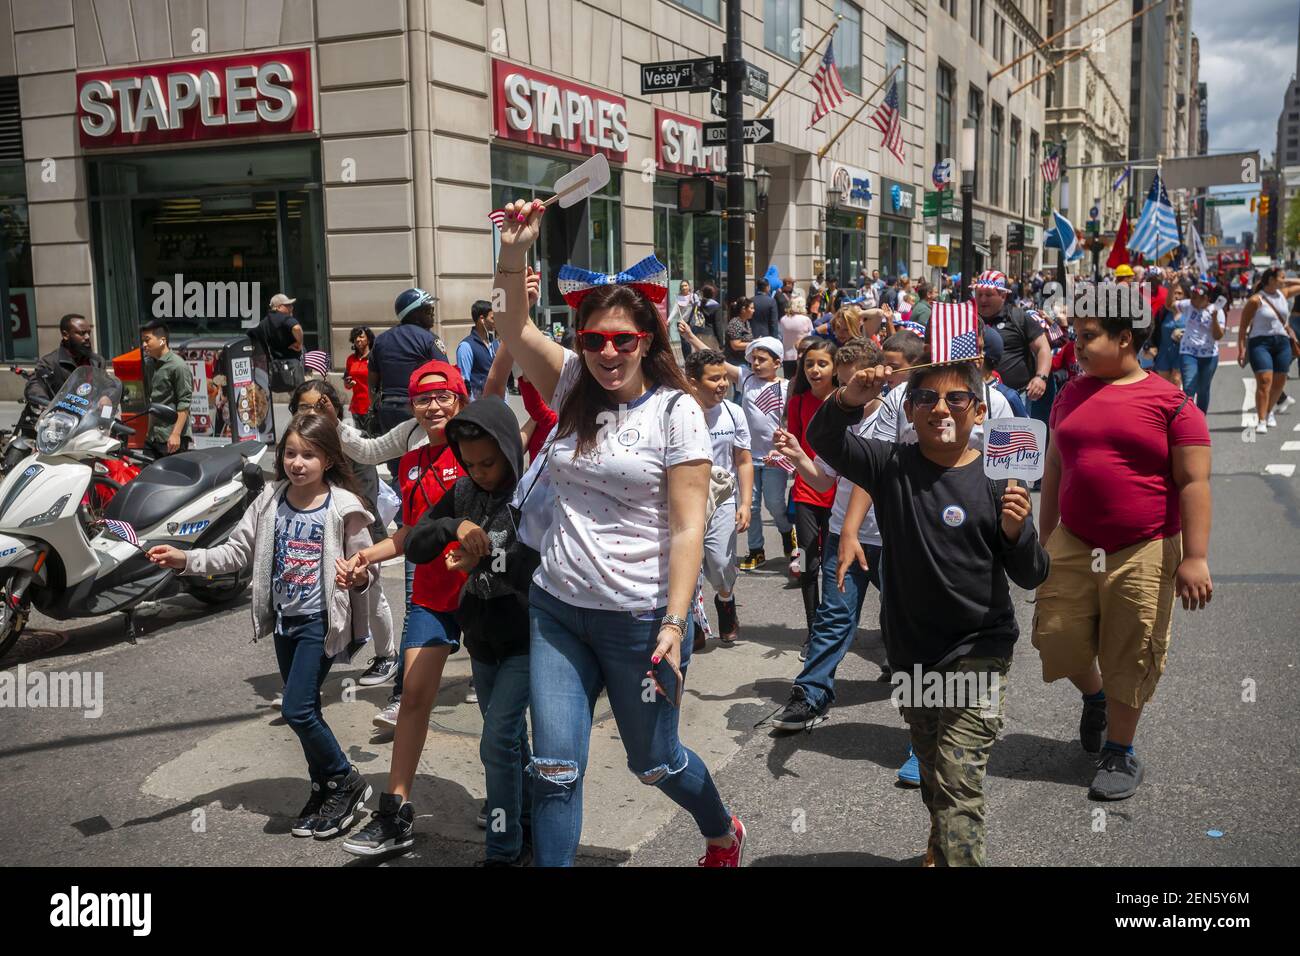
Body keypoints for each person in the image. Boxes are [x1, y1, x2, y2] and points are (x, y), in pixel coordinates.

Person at [491, 196, 745, 867]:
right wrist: (517, 249)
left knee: (655, 762)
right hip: (558, 612)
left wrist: (676, 619)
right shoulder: (572, 380)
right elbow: (513, 324)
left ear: (649, 343)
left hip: (640, 621)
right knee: (554, 770)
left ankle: (722, 831)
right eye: (594, 339)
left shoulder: (676, 414)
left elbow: (691, 528)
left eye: (623, 340)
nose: (607, 352)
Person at [808, 358, 1049, 866]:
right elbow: (826, 440)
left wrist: (1016, 531)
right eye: (926, 399)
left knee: (960, 783)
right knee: (935, 770)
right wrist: (848, 397)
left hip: (979, 651)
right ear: (909, 410)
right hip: (913, 653)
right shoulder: (890, 465)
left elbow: (1031, 573)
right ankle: (940, 846)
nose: (940, 408)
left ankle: (956, 854)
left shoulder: (996, 478)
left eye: (955, 398)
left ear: (978, 410)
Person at [148, 414, 379, 839]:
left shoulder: (344, 507)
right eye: (290, 453)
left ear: (328, 458)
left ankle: (345, 780)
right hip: (285, 623)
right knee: (305, 709)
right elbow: (235, 553)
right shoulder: (269, 501)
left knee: (297, 709)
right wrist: (185, 560)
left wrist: (358, 576)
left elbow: (366, 567)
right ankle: (324, 787)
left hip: (320, 623)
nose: (297, 462)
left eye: (308, 454)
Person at [1033, 309, 1213, 801]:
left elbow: (1195, 482)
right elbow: (1053, 465)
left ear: (1125, 339)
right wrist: (1045, 533)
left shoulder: (1173, 404)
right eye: (1076, 336)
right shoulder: (1070, 393)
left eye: (1088, 337)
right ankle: (1095, 697)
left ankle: (1119, 749)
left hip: (1145, 546)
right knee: (1056, 636)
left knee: (1130, 652)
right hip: (1073, 542)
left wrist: (1195, 557)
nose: (1078, 346)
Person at [337, 360, 470, 857]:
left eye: (442, 397)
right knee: (413, 697)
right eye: (422, 399)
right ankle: (395, 813)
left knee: (502, 713)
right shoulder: (411, 461)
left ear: (459, 398)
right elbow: (411, 532)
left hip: (485, 599)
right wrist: (366, 556)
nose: (433, 407)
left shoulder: (478, 445)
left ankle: (512, 802)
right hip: (433, 596)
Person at [403, 397, 539, 866]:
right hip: (481, 641)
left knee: (496, 741)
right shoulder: (462, 491)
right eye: (470, 462)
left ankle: (502, 852)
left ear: (508, 450)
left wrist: (486, 558)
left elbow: (535, 568)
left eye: (489, 461)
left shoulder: (530, 496)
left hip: (526, 637)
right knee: (510, 742)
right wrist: (452, 524)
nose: (480, 471)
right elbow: (417, 544)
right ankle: (529, 828)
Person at [767, 338, 884, 730]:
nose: (851, 395)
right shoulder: (839, 421)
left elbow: (872, 476)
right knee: (833, 616)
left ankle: (925, 707)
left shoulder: (898, 419)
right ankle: (810, 693)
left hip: (891, 541)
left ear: (878, 380)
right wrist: (797, 455)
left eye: (859, 386)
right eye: (844, 386)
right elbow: (820, 481)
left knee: (907, 622)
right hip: (841, 538)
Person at [288, 380, 398, 687]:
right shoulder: (295, 444)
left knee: (370, 597)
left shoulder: (352, 443)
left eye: (317, 406)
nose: (309, 413)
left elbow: (366, 496)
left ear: (334, 409)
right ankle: (303, 675)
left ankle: (387, 655)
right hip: (313, 537)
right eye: (303, 407)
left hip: (356, 533)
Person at [684, 348, 754, 644]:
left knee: (721, 562)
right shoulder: (679, 412)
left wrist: (747, 503)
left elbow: (743, 460)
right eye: (714, 379)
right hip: (686, 497)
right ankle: (694, 623)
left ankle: (725, 600)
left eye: (724, 377)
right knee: (690, 561)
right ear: (693, 382)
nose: (723, 384)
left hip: (722, 494)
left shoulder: (733, 412)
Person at [779, 338, 839, 654]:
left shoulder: (846, 400)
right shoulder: (798, 401)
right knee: (806, 562)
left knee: (832, 564)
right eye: (809, 363)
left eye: (822, 363)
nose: (814, 369)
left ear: (835, 368)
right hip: (805, 492)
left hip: (840, 495)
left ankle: (832, 626)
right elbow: (798, 448)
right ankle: (812, 628)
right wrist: (783, 447)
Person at [370, 287, 448, 485]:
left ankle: (400, 499)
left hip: (388, 409)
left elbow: (373, 380)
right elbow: (444, 375)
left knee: (396, 464)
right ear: (414, 313)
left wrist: (377, 407)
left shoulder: (381, 340)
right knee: (423, 463)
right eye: (428, 309)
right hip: (417, 410)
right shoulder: (429, 339)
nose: (432, 313)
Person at [1237, 267, 1300, 434]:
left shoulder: (1283, 294)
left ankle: (1269, 410)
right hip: (1260, 343)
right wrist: (1242, 349)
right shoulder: (1256, 300)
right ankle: (1262, 419)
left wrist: (1285, 281)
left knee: (1279, 383)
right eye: (1282, 277)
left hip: (1282, 343)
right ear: (1271, 280)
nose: (1285, 280)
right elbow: (1243, 326)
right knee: (1265, 381)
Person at [973, 271, 1051, 405]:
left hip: (1016, 397)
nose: (983, 299)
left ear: (1003, 295)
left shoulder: (1019, 318)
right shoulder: (968, 319)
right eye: (979, 294)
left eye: (988, 295)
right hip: (975, 394)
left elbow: (1042, 347)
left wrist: (1041, 377)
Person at [23, 313, 106, 418]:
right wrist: (44, 403)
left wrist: (107, 397)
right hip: (62, 420)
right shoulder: (49, 362)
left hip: (89, 420)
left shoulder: (97, 361)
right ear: (65, 335)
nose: (87, 337)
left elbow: (106, 387)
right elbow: (35, 385)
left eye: (89, 333)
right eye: (82, 333)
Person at [140, 319, 192, 458]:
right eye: (143, 341)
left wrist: (176, 434)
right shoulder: (149, 364)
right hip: (153, 437)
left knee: (173, 479)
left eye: (147, 340)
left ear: (162, 340)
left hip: (171, 438)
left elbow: (184, 403)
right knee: (146, 476)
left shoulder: (178, 366)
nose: (144, 345)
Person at [1177, 283, 1225, 414]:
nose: (1193, 298)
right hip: (1188, 353)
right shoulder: (1187, 305)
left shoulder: (1217, 311)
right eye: (1193, 295)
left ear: (1207, 298)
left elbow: (1218, 336)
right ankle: (1188, 419)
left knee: (1203, 389)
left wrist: (1214, 318)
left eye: (1197, 296)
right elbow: (1169, 305)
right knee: (1188, 388)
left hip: (1209, 356)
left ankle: (1200, 419)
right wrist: (1174, 284)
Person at [456, 300, 499, 401]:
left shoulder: (494, 343)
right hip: (478, 407)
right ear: (482, 319)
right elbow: (464, 381)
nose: (495, 321)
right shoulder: (466, 346)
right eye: (493, 318)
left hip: (496, 403)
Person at [344, 326, 375, 427]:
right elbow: (347, 384)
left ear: (369, 339)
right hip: (356, 406)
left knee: (371, 438)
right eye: (355, 338)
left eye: (361, 337)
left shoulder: (375, 358)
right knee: (359, 437)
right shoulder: (351, 359)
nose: (357, 340)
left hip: (371, 406)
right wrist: (348, 384)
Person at [779, 295, 814, 379]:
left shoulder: (783, 319)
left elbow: (780, 335)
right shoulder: (806, 320)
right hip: (802, 355)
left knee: (788, 380)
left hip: (787, 356)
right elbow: (812, 336)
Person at [668, 281, 702, 359]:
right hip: (681, 322)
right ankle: (687, 360)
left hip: (692, 322)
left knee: (693, 341)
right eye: (682, 286)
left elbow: (699, 306)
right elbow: (675, 310)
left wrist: (693, 302)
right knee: (684, 343)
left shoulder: (694, 296)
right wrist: (668, 320)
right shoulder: (678, 297)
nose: (684, 287)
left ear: (689, 286)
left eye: (685, 285)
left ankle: (695, 359)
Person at [697, 283, 726, 350]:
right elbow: (718, 326)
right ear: (713, 294)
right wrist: (721, 343)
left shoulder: (699, 305)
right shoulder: (716, 307)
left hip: (699, 335)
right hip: (711, 336)